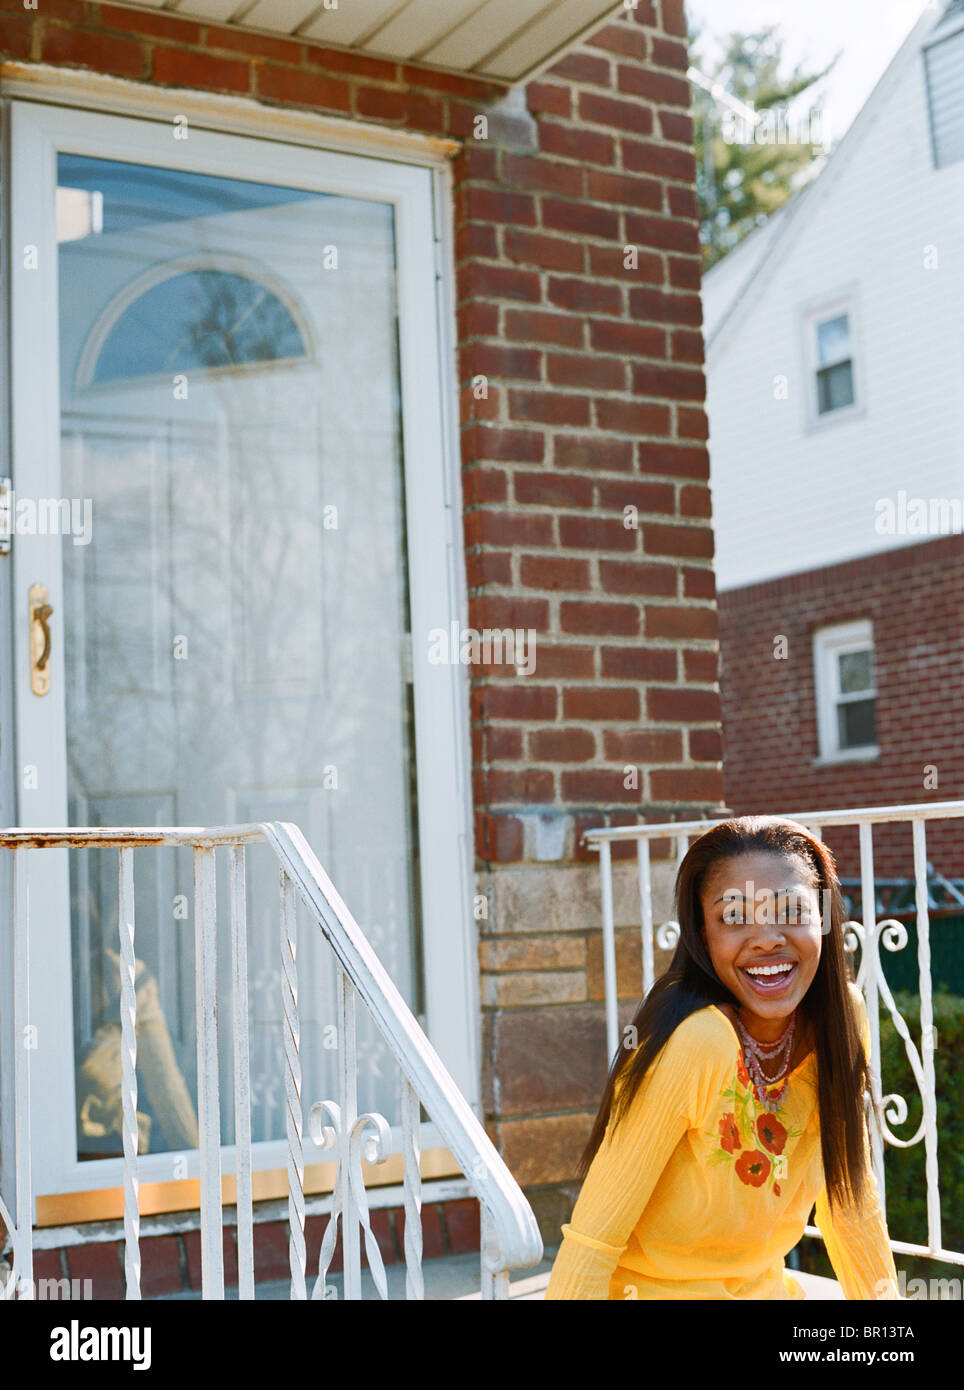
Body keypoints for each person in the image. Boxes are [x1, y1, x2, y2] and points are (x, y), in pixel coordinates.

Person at [545, 815, 901, 1300]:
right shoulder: (697, 1040)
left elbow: (850, 1207)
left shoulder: (840, 1020)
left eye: (792, 910)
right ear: (701, 934)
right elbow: (595, 1235)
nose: (767, 938)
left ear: (824, 917)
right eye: (734, 916)